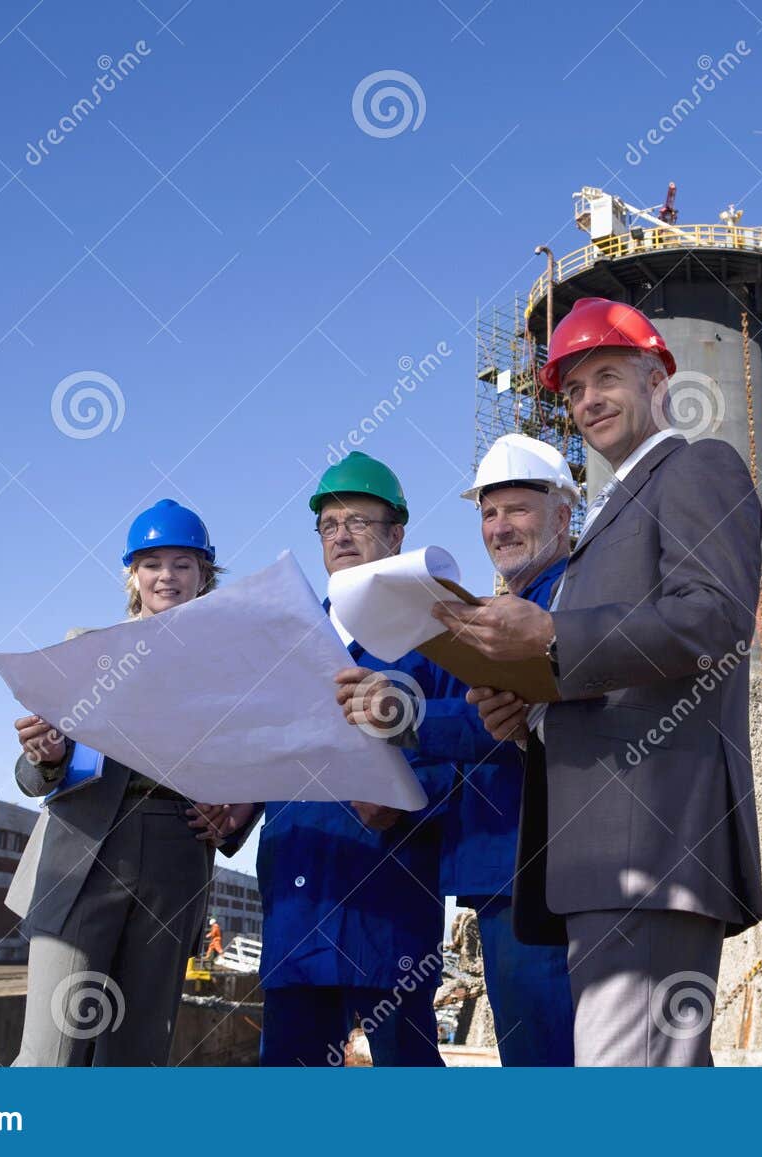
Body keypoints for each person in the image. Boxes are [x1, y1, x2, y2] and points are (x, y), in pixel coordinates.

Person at [433, 298, 762, 1066]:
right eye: (574, 390)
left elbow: (714, 616)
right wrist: (529, 712)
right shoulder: (611, 518)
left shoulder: (697, 467)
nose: (586, 402)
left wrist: (551, 634)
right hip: (599, 857)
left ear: (659, 381)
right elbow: (609, 673)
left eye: (606, 377)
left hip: (649, 841)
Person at [195, 453, 457, 1067]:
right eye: (328, 524)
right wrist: (240, 807)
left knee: (405, 1072)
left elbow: (466, 754)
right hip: (299, 890)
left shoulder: (437, 636)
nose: (340, 535)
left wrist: (404, 805)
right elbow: (266, 748)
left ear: (396, 535)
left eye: (358, 522)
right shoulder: (289, 638)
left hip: (388, 898)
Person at [9, 498, 253, 1066]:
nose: (166, 576)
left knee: (138, 1053)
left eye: (182, 564)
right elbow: (30, 775)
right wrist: (45, 753)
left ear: (204, 575)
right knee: (51, 1052)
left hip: (177, 851)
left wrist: (236, 807)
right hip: (84, 849)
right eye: (152, 563)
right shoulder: (85, 649)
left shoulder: (234, 669)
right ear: (133, 576)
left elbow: (253, 765)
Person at [430, 434, 577, 1065]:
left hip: (551, 872)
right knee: (532, 1054)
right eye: (488, 513)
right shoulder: (503, 609)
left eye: (516, 510)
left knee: (553, 1056)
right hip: (503, 871)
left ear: (564, 515)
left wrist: (406, 716)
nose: (499, 527)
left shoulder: (577, 599)